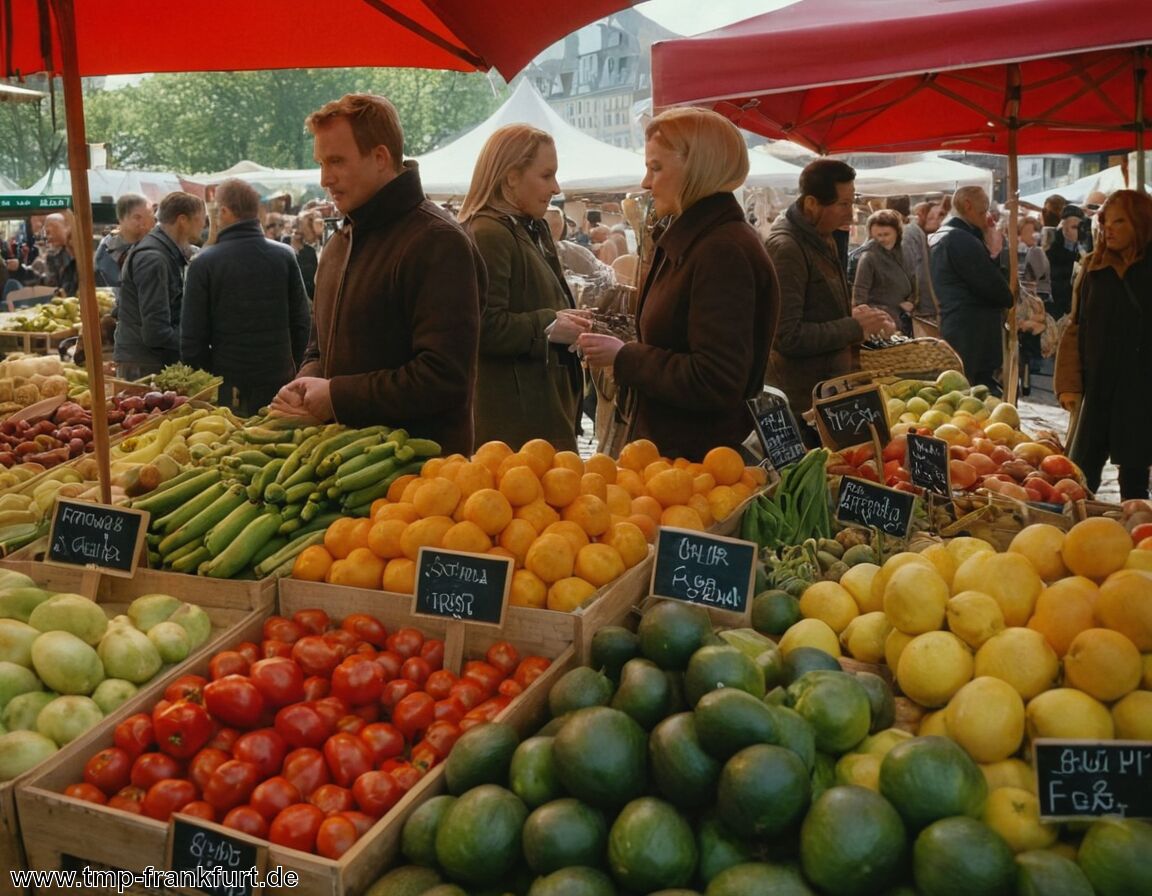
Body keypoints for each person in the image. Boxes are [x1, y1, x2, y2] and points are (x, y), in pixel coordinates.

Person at [269, 94, 484, 456]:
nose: (325, 178)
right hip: (342, 465)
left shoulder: (438, 242)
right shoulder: (340, 240)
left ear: (381, 158)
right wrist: (308, 382)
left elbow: (444, 377)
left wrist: (335, 395)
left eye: (336, 161)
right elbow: (319, 344)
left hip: (420, 480)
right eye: (321, 163)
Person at [578, 107, 780, 461]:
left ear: (697, 169)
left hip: (698, 465)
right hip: (679, 462)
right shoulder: (697, 239)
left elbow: (715, 378)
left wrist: (626, 356)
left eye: (656, 167)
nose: (645, 182)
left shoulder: (721, 249)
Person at [457, 125, 585, 452]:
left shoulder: (526, 227)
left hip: (535, 418)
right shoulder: (488, 233)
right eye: (546, 175)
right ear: (511, 177)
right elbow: (482, 326)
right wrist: (550, 322)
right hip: (514, 431)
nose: (556, 187)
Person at [763, 159, 893, 429]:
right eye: (843, 204)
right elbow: (786, 336)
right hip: (801, 405)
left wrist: (851, 314)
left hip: (827, 391)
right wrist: (853, 326)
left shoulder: (824, 235)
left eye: (852, 201)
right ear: (811, 204)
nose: (851, 213)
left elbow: (818, 305)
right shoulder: (787, 249)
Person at [181, 179, 312, 416]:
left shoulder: (203, 264)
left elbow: (192, 341)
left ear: (223, 211)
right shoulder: (284, 256)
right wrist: (294, 369)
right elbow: (302, 323)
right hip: (281, 380)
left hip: (230, 386)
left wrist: (215, 377)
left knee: (235, 447)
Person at [1055, 190, 1152, 500]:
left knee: (1135, 479)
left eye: (1119, 221)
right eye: (1106, 221)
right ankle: (1076, 533)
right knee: (1081, 472)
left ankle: (1136, 537)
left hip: (1141, 388)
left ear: (1141, 223)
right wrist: (1069, 383)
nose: (1108, 229)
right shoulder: (1093, 268)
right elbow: (1076, 327)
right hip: (1098, 387)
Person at [928, 185, 1014, 393]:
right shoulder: (960, 238)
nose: (987, 217)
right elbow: (1001, 293)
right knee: (971, 398)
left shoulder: (943, 235)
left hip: (958, 328)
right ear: (967, 206)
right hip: (973, 337)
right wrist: (995, 253)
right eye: (983, 210)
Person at [113, 191, 206, 380]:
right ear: (182, 220)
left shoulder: (165, 252)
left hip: (148, 361)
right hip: (144, 366)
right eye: (200, 219)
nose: (203, 225)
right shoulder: (154, 259)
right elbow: (156, 331)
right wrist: (195, 345)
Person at [852, 208, 917, 336]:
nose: (882, 239)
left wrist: (911, 301)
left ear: (897, 233)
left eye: (886, 234)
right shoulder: (869, 257)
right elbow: (860, 293)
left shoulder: (905, 253)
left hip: (903, 318)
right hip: (880, 322)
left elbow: (914, 280)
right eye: (878, 235)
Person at [94, 193, 155, 289]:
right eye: (137, 217)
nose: (144, 223)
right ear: (121, 218)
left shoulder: (154, 248)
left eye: (148, 217)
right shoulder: (107, 247)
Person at [1046, 205, 1086, 318]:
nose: (1078, 231)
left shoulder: (1084, 252)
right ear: (1063, 228)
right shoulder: (1051, 255)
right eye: (1074, 227)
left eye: (1080, 227)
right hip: (1060, 312)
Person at [41, 212, 78, 296]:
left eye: (49, 232)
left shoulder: (87, 259)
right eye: (47, 233)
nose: (48, 238)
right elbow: (53, 289)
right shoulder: (53, 258)